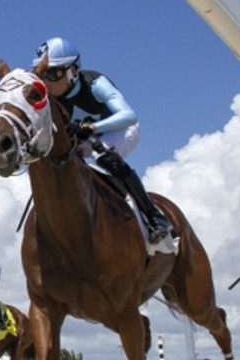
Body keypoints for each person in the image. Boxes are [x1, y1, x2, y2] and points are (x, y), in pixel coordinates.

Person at [33, 36, 174, 244]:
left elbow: (129, 115)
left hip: (121, 130)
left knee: (104, 156)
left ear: (72, 71)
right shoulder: (52, 100)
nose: (47, 82)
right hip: (89, 139)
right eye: (43, 75)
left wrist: (92, 128)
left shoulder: (95, 83)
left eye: (54, 74)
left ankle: (155, 217)